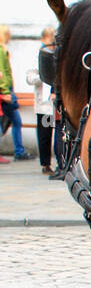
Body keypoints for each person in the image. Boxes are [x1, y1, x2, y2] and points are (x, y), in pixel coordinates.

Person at [26, 27, 57, 175]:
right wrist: (43, 76)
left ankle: (62, 164)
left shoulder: (58, 55)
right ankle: (45, 164)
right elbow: (30, 78)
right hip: (45, 105)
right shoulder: (37, 56)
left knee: (60, 135)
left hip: (58, 104)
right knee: (45, 134)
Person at [0, 24, 33, 162]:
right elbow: (2, 73)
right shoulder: (1, 50)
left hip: (6, 90)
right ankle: (19, 151)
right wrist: (6, 92)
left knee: (11, 121)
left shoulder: (3, 49)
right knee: (13, 121)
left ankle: (19, 151)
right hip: (5, 91)